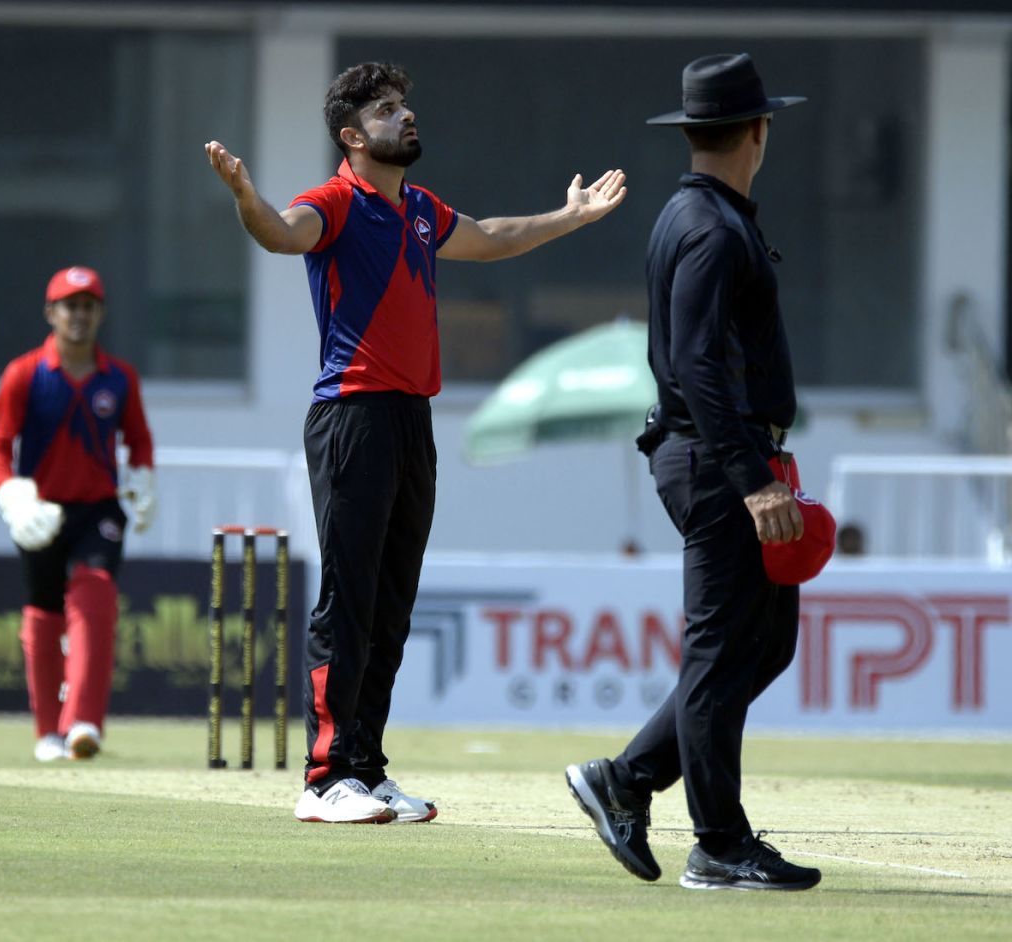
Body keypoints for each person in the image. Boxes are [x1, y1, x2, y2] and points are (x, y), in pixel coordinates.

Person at [205, 62, 627, 824]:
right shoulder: (333, 201)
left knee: (392, 603)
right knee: (349, 597)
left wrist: (570, 218)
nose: (406, 118)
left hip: (410, 418)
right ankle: (324, 778)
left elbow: (494, 237)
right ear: (351, 135)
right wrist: (245, 196)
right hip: (353, 418)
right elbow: (279, 233)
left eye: (404, 106)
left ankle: (364, 769)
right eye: (387, 110)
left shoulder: (422, 210)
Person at [564, 53, 823, 891]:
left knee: (766, 643)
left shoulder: (700, 214)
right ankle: (718, 843)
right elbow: (701, 367)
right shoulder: (711, 227)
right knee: (720, 652)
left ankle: (628, 780)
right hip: (718, 460)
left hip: (721, 453)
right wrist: (753, 478)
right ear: (759, 130)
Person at [0, 266, 156, 762]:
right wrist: (11, 495)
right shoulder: (25, 373)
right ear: (51, 313)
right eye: (69, 306)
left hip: (98, 508)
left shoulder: (118, 378)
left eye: (87, 306)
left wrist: (142, 477)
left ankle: (82, 721)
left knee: (95, 592)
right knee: (44, 612)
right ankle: (47, 733)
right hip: (39, 511)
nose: (78, 315)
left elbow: (138, 438)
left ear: (99, 313)